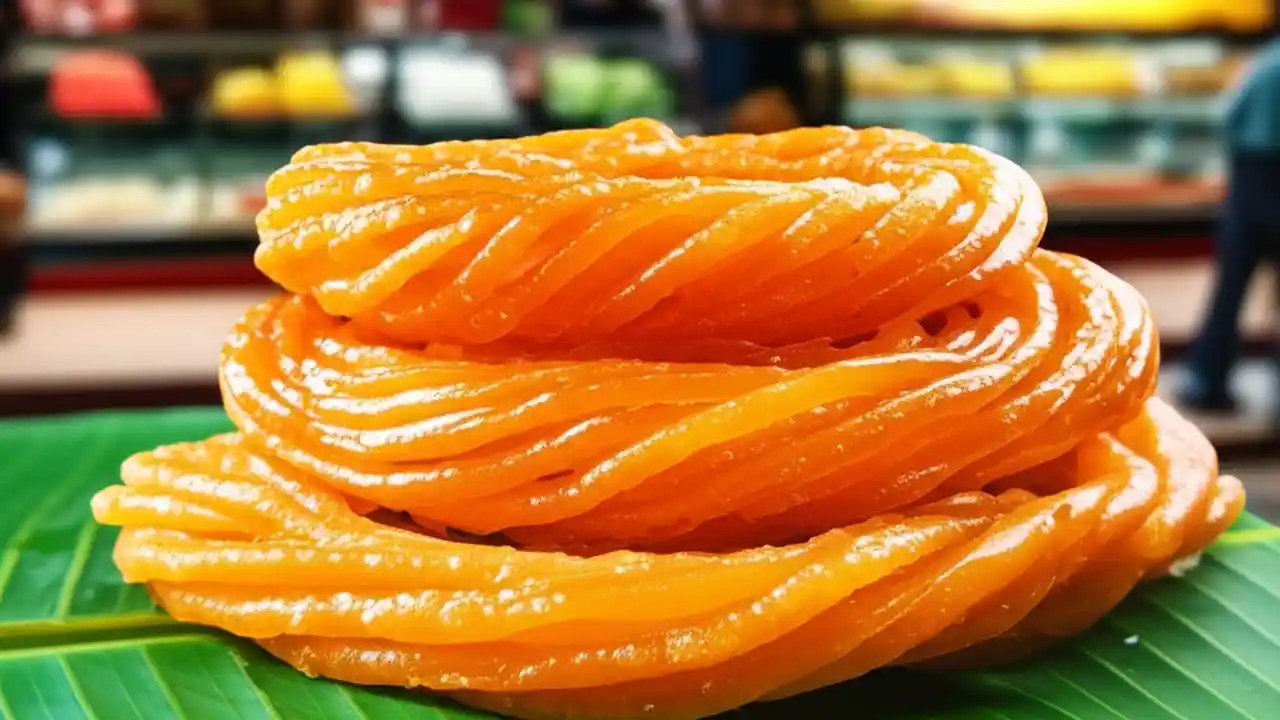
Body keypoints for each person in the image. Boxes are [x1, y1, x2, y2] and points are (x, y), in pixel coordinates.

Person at [1179, 46, 1280, 412]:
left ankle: (1206, 380)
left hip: (1245, 183)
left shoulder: (1263, 60)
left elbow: (1230, 117)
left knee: (1229, 294)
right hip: (1272, 177)